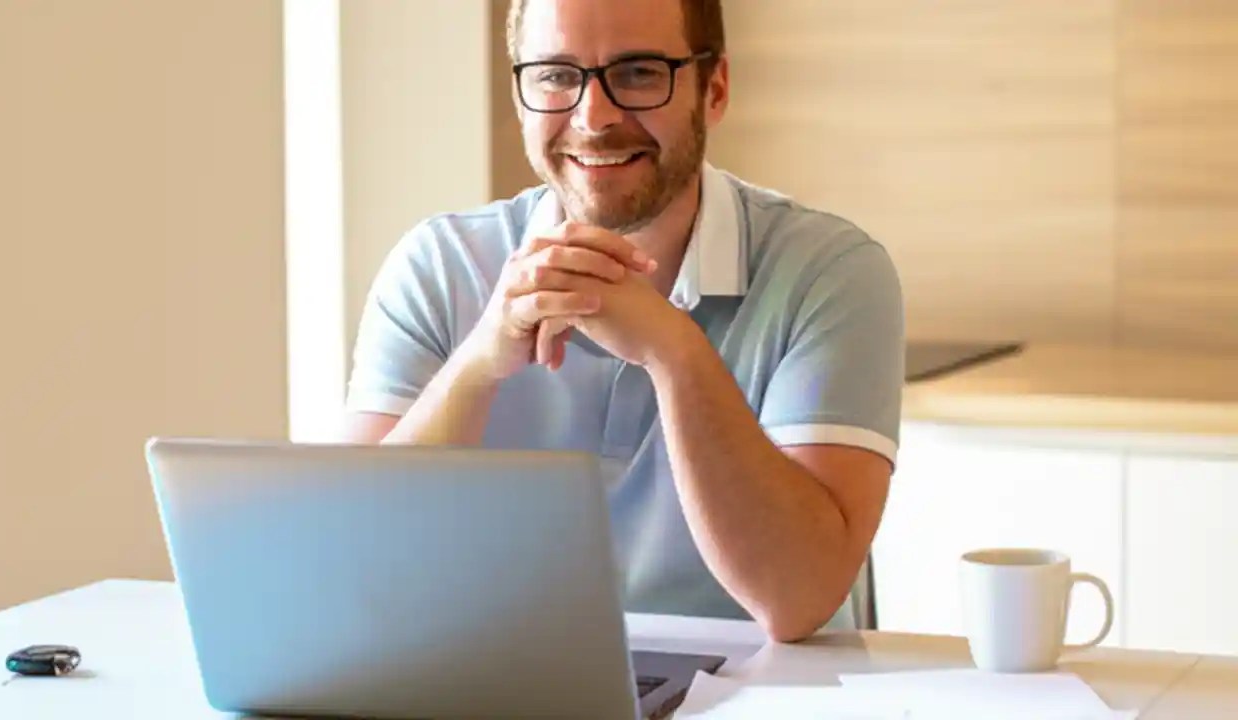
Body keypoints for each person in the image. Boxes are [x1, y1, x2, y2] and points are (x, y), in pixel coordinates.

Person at [342, 0, 904, 643]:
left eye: (638, 73)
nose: (594, 116)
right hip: (497, 684)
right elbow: (355, 571)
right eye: (556, 74)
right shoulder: (440, 266)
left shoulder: (828, 271)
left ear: (713, 90)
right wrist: (478, 363)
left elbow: (798, 599)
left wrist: (674, 351)